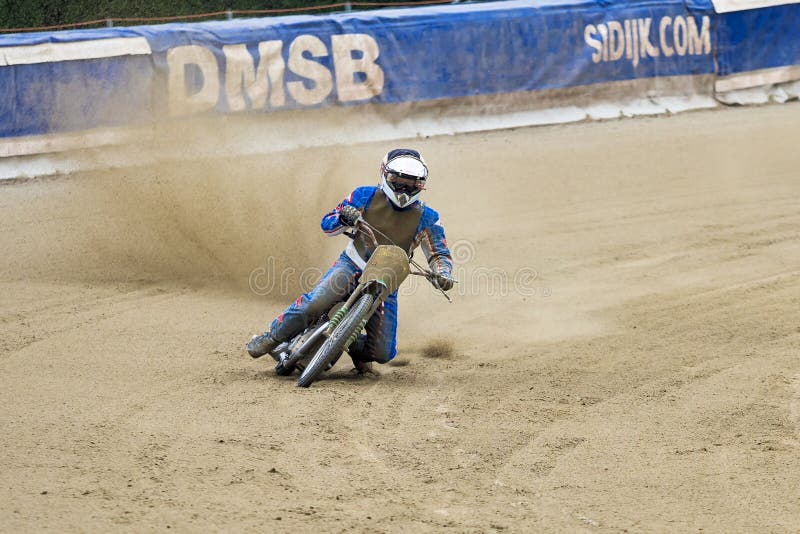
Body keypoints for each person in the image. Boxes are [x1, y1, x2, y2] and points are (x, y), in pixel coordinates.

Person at [246, 148, 454, 372]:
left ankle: (350, 343)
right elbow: (328, 224)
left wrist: (443, 272)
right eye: (398, 180)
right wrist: (344, 217)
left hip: (387, 282)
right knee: (314, 304)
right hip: (351, 265)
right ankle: (271, 338)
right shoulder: (364, 195)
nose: (404, 188)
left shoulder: (429, 218)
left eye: (412, 183)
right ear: (385, 175)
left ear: (421, 184)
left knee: (383, 353)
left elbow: (439, 254)